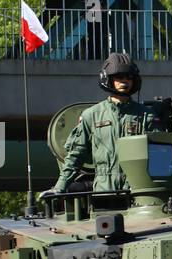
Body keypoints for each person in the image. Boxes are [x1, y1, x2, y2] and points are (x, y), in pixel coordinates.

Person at [42, 53, 164, 197]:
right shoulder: (92, 115)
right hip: (104, 191)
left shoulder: (146, 115)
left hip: (137, 191)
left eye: (128, 77)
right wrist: (59, 187)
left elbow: (159, 156)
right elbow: (76, 155)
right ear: (108, 79)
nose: (124, 81)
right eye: (119, 77)